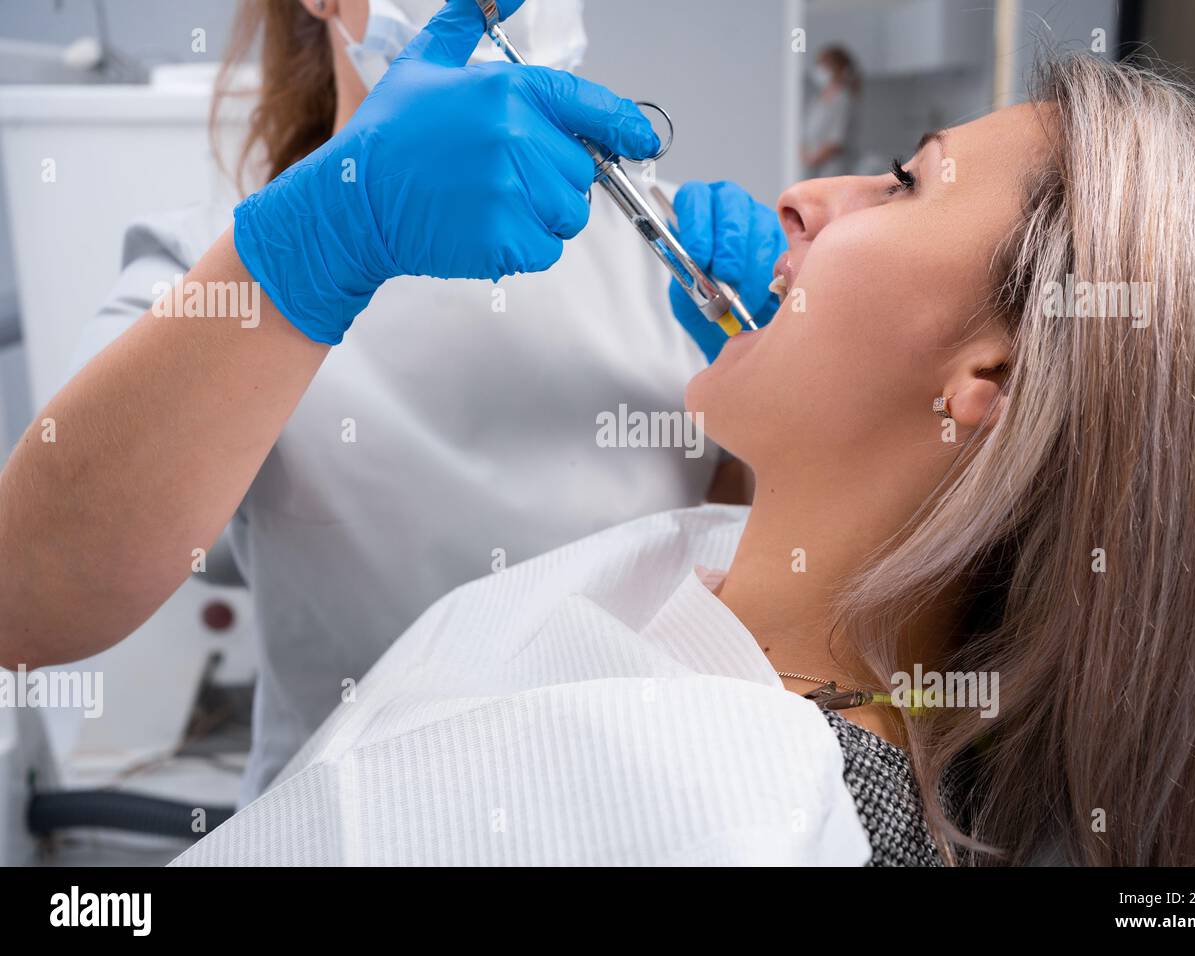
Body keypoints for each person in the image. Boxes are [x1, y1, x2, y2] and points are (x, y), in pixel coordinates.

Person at [177, 54, 1195, 866]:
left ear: (993, 382)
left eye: (903, 182)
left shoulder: (739, 802)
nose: (799, 199)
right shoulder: (734, 595)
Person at [0, 0, 785, 804]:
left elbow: (783, 580)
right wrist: (324, 237)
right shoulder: (224, 269)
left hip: (644, 821)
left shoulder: (693, 257)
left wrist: (778, 410)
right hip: (336, 836)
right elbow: (24, 605)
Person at [802, 45, 862, 178]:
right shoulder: (818, 98)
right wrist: (804, 154)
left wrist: (813, 159)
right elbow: (806, 132)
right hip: (812, 167)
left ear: (835, 68)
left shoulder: (843, 99)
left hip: (833, 169)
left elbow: (836, 142)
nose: (819, 69)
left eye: (823, 64)